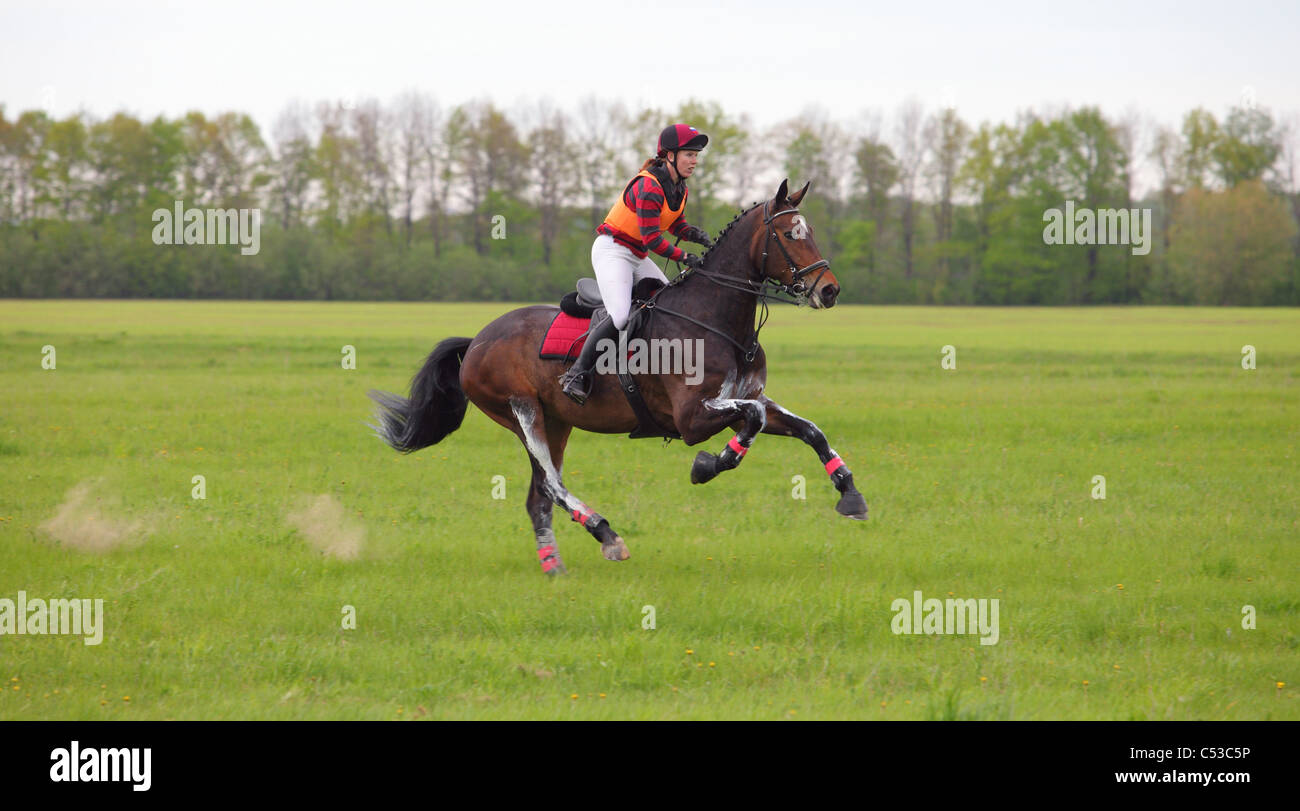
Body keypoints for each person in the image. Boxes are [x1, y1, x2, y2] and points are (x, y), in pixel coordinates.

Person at [559, 123, 714, 405]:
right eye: (689, 154)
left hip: (637, 254)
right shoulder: (649, 186)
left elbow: (675, 225)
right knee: (620, 317)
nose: (694, 161)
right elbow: (653, 239)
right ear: (669, 155)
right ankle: (576, 373)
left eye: (696, 155)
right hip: (612, 251)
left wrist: (695, 235)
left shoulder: (680, 188)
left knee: (672, 307)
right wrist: (684, 257)